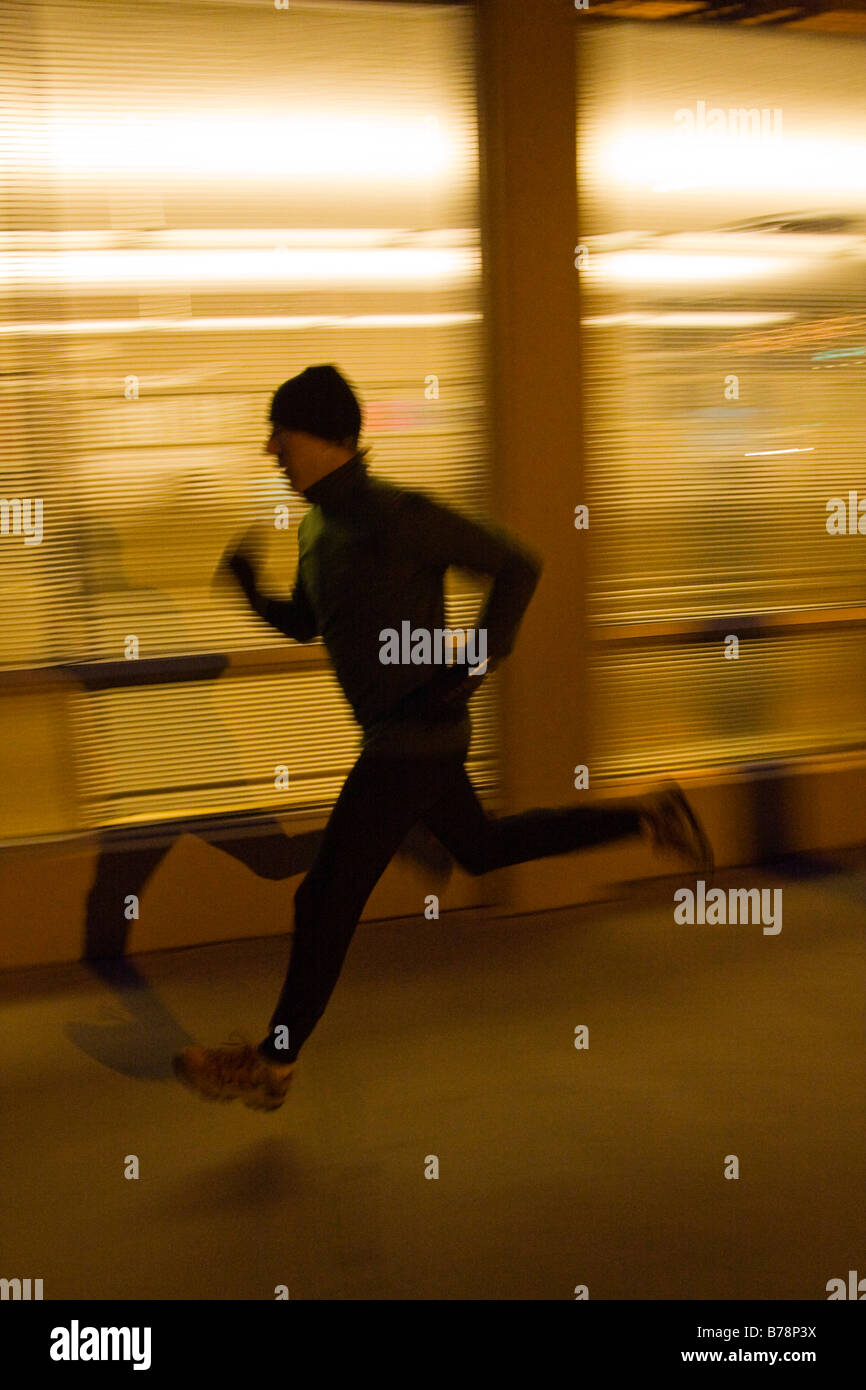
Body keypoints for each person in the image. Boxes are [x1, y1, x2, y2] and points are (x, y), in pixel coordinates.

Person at [173, 365, 713, 1111]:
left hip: (411, 742)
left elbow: (519, 563)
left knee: (323, 900)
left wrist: (471, 667)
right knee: (483, 848)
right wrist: (248, 590)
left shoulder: (399, 513)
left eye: (282, 432)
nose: (270, 449)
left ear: (328, 438)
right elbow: (307, 623)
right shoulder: (315, 527)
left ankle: (273, 1064)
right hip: (412, 741)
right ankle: (648, 815)